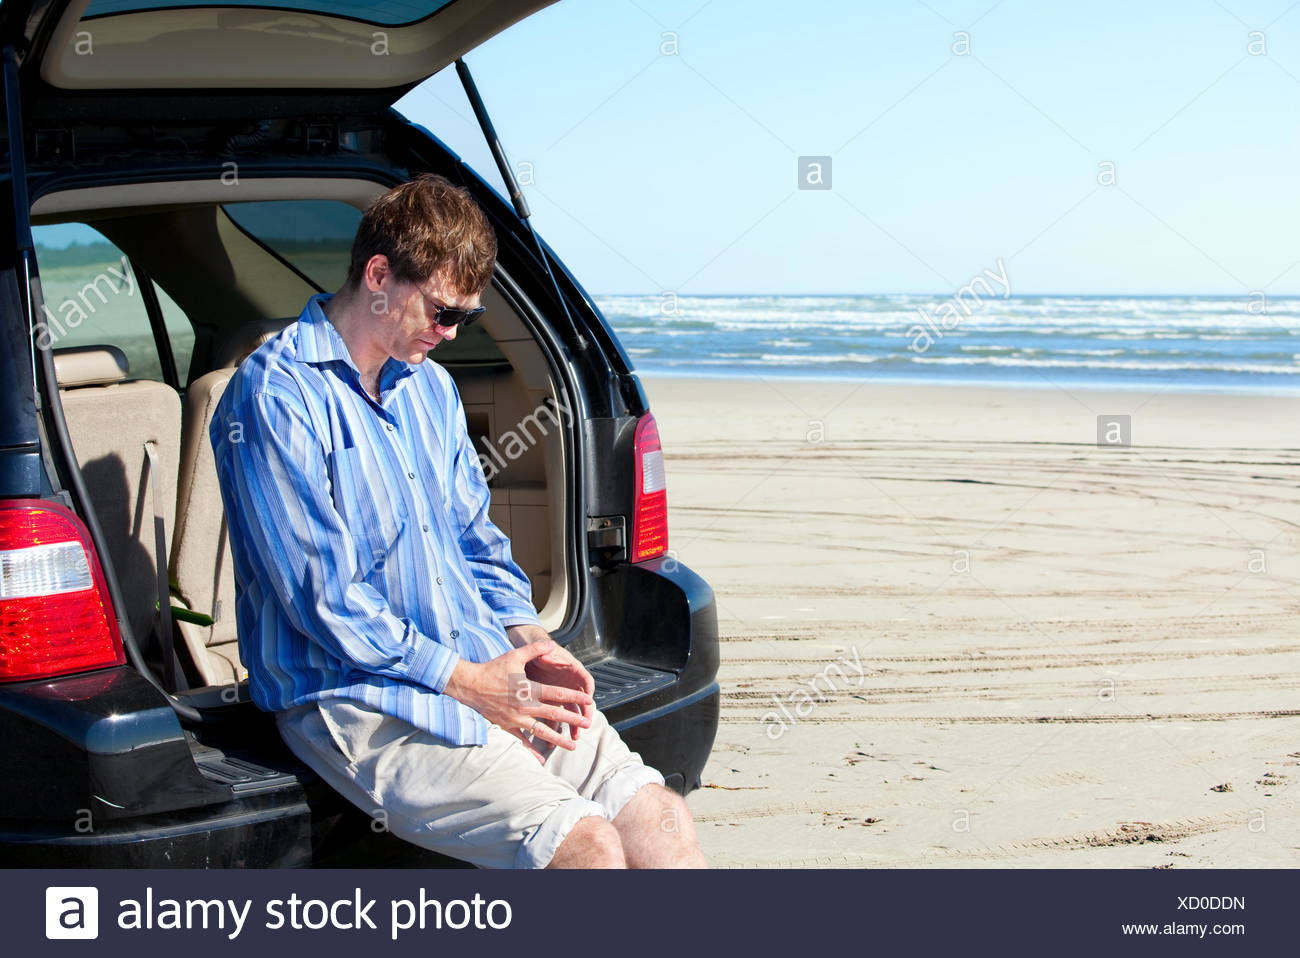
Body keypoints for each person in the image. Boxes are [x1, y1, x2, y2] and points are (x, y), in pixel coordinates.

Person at [210, 174, 706, 869]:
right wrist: (470, 683)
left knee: (662, 818)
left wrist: (529, 637)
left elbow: (476, 541)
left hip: (479, 668)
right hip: (360, 698)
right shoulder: (275, 396)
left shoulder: (430, 390)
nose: (449, 335)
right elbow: (323, 602)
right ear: (378, 275)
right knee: (586, 844)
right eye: (442, 312)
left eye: (465, 320)